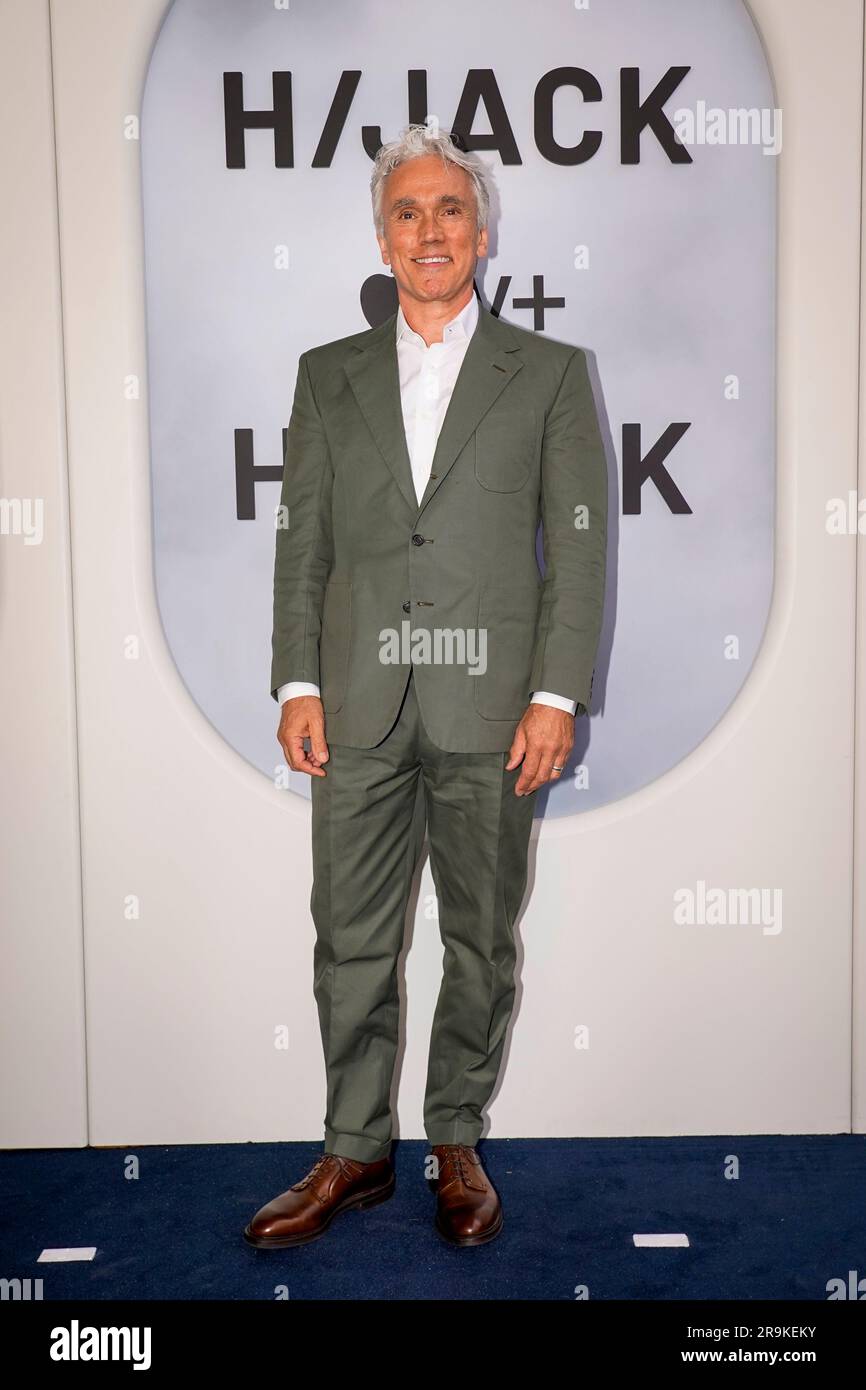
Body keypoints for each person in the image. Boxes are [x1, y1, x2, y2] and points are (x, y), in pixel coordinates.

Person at [244, 123, 607, 1249]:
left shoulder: (548, 373)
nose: (429, 229)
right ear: (381, 235)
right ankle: (353, 1149)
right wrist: (298, 678)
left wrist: (554, 695)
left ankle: (453, 1139)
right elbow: (301, 541)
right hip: (355, 702)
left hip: (496, 711)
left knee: (479, 937)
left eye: (448, 209)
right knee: (348, 935)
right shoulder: (324, 374)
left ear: (481, 231)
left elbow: (578, 546)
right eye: (407, 211)